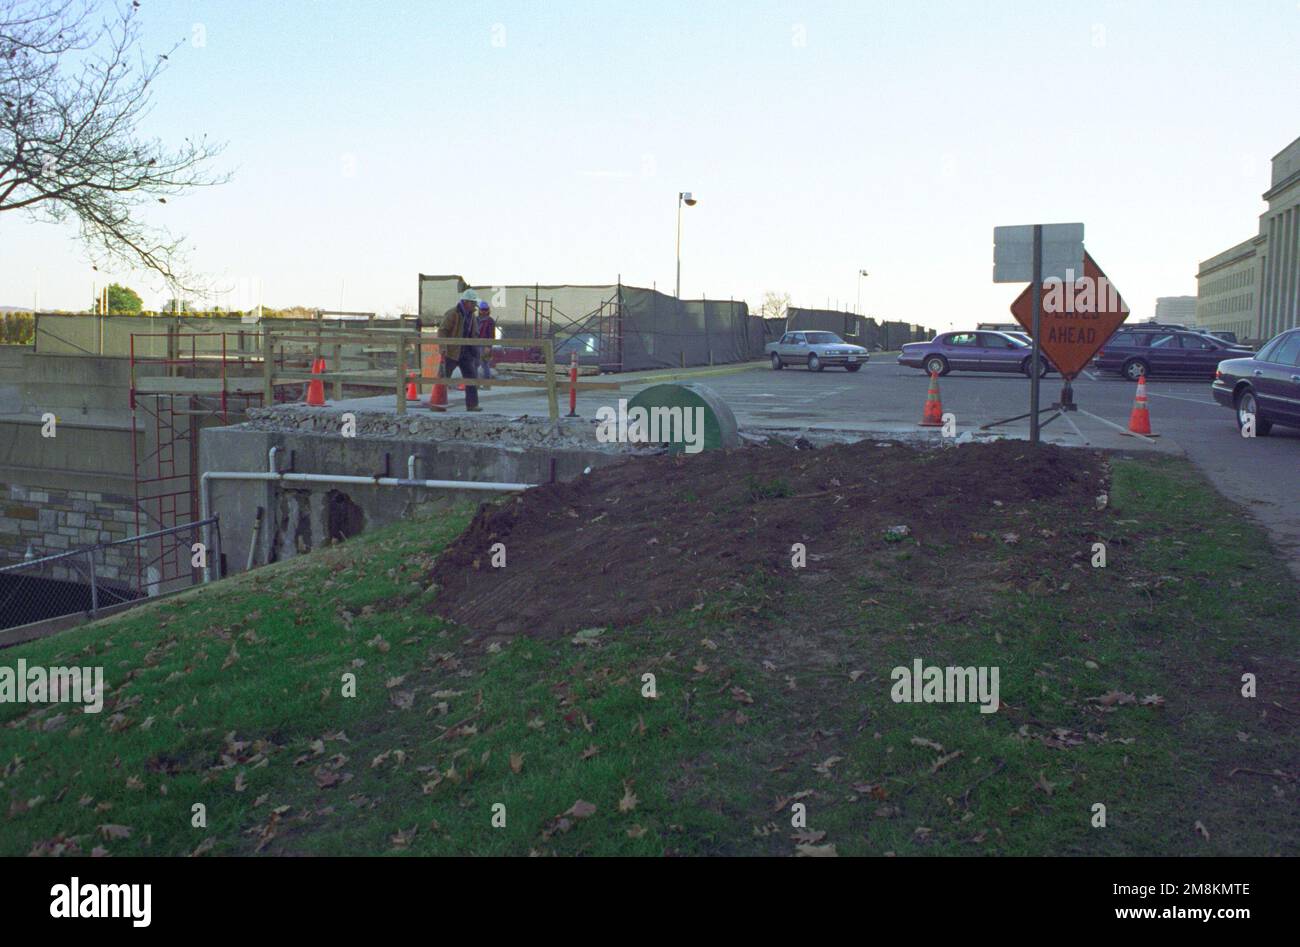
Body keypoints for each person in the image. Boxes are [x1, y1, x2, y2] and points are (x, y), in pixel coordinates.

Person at [438, 289, 482, 412]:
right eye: (472, 302)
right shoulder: (453, 313)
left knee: (471, 378)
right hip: (452, 351)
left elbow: (474, 333)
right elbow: (442, 331)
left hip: (466, 352)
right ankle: (438, 402)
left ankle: (472, 405)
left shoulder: (471, 315)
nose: (474, 305)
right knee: (443, 377)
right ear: (466, 302)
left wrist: (476, 351)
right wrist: (443, 347)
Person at [476, 299, 497, 379]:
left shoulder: (490, 321)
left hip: (485, 345)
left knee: (485, 364)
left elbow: (492, 335)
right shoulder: (476, 319)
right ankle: (476, 383)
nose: (484, 311)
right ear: (480, 310)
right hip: (476, 344)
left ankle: (486, 384)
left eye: (485, 310)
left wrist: (488, 346)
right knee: (475, 364)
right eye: (482, 310)